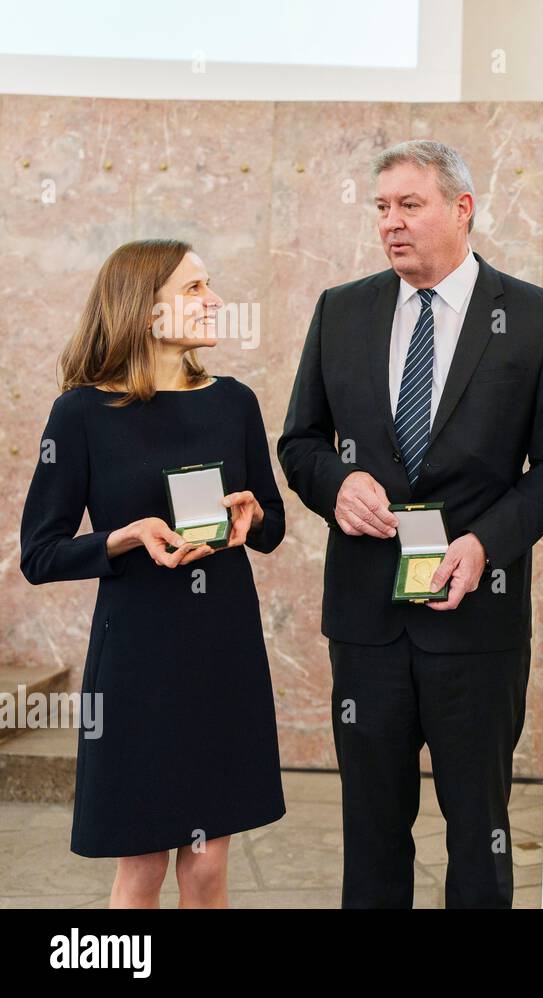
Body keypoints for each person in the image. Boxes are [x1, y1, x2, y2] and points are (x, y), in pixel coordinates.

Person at [278, 139, 543, 908]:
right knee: (372, 827)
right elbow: (299, 442)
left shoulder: (539, 318)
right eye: (381, 208)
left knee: (477, 827)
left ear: (462, 209)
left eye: (409, 205)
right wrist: (338, 483)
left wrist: (485, 544)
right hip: (366, 623)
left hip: (475, 619)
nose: (391, 224)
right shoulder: (340, 309)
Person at [19, 239, 286, 908]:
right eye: (195, 289)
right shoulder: (80, 414)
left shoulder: (235, 402)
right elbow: (40, 552)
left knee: (205, 869)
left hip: (224, 655)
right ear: (143, 308)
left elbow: (274, 525)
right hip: (138, 664)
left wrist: (251, 515)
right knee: (140, 867)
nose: (215, 301)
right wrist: (124, 537)